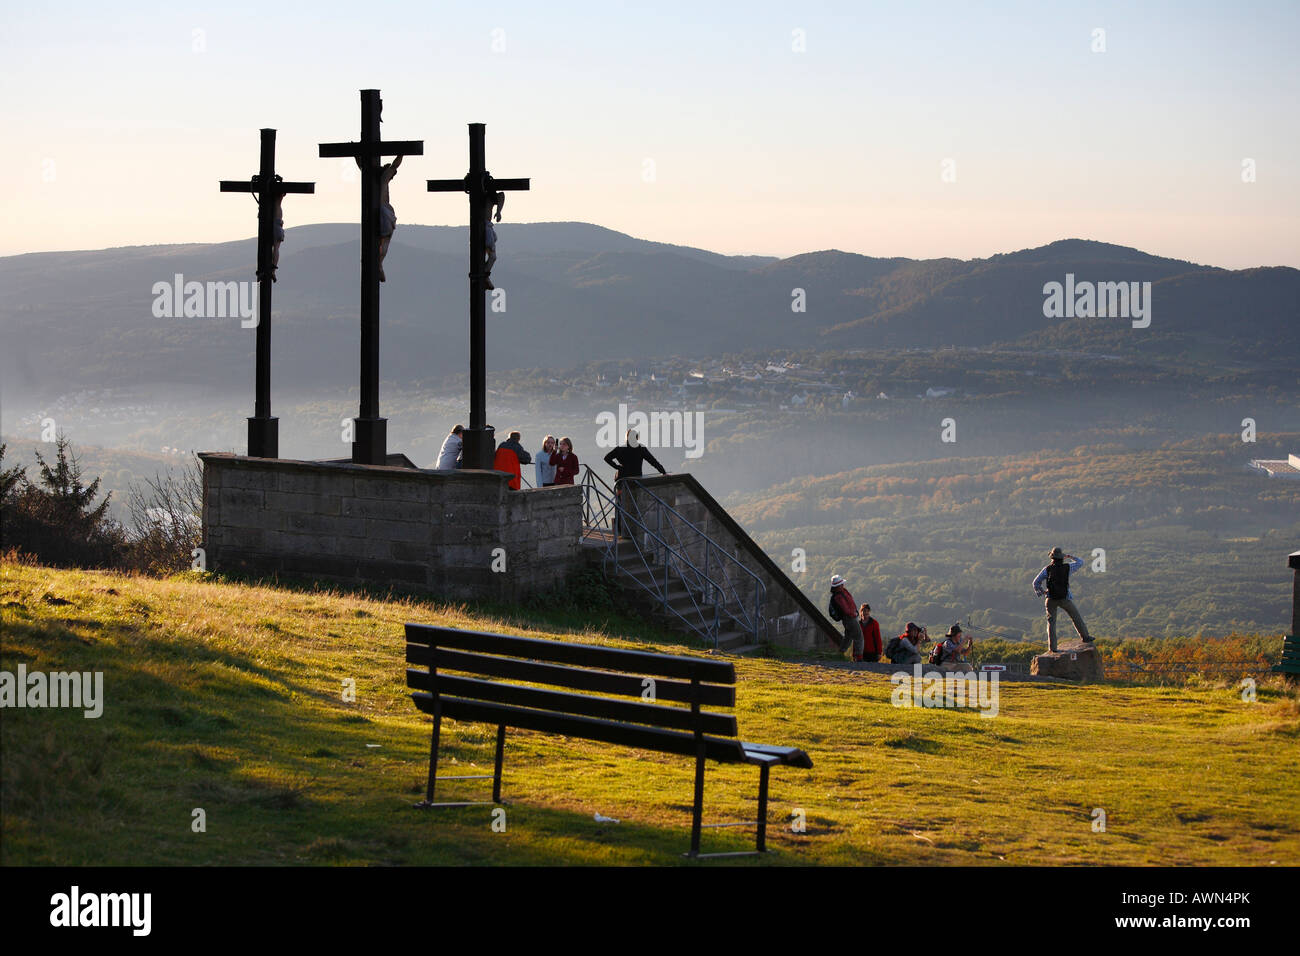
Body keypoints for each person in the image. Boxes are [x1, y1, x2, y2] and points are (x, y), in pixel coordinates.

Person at [603, 429, 666, 538]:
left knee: (620, 505)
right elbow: (652, 461)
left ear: (627, 437)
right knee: (635, 506)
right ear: (637, 437)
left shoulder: (620, 448)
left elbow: (607, 458)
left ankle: (619, 531)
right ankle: (633, 531)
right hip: (636, 480)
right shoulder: (641, 448)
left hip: (621, 480)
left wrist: (618, 467)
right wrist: (663, 471)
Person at [1032, 546, 1093, 652]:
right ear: (1062, 557)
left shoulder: (1047, 569)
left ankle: (1053, 648)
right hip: (1064, 598)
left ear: (1052, 557)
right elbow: (1081, 562)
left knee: (1051, 623)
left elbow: (1035, 582)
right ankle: (1085, 637)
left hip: (1050, 599)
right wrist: (1070, 556)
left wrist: (1042, 592)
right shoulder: (1068, 567)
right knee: (1076, 617)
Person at [356, 153, 403, 282]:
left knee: (382, 243)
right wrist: (401, 154)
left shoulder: (378, 178)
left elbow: (362, 166)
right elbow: (394, 165)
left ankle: (378, 266)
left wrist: (357, 156)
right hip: (381, 213)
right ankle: (379, 266)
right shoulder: (382, 178)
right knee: (383, 243)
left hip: (379, 213)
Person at [827, 574, 863, 660]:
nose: (843, 585)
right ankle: (858, 657)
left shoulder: (841, 593)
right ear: (838, 586)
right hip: (850, 618)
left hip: (848, 619)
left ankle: (840, 653)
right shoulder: (839, 596)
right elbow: (846, 609)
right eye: (841, 584)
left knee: (848, 636)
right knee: (859, 637)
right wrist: (853, 614)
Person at [482, 187, 506, 291]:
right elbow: (501, 195)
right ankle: (484, 276)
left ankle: (484, 274)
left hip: (485, 227)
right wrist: (499, 211)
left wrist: (499, 211)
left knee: (491, 256)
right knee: (492, 256)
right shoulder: (486, 197)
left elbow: (501, 195)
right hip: (484, 227)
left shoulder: (488, 196)